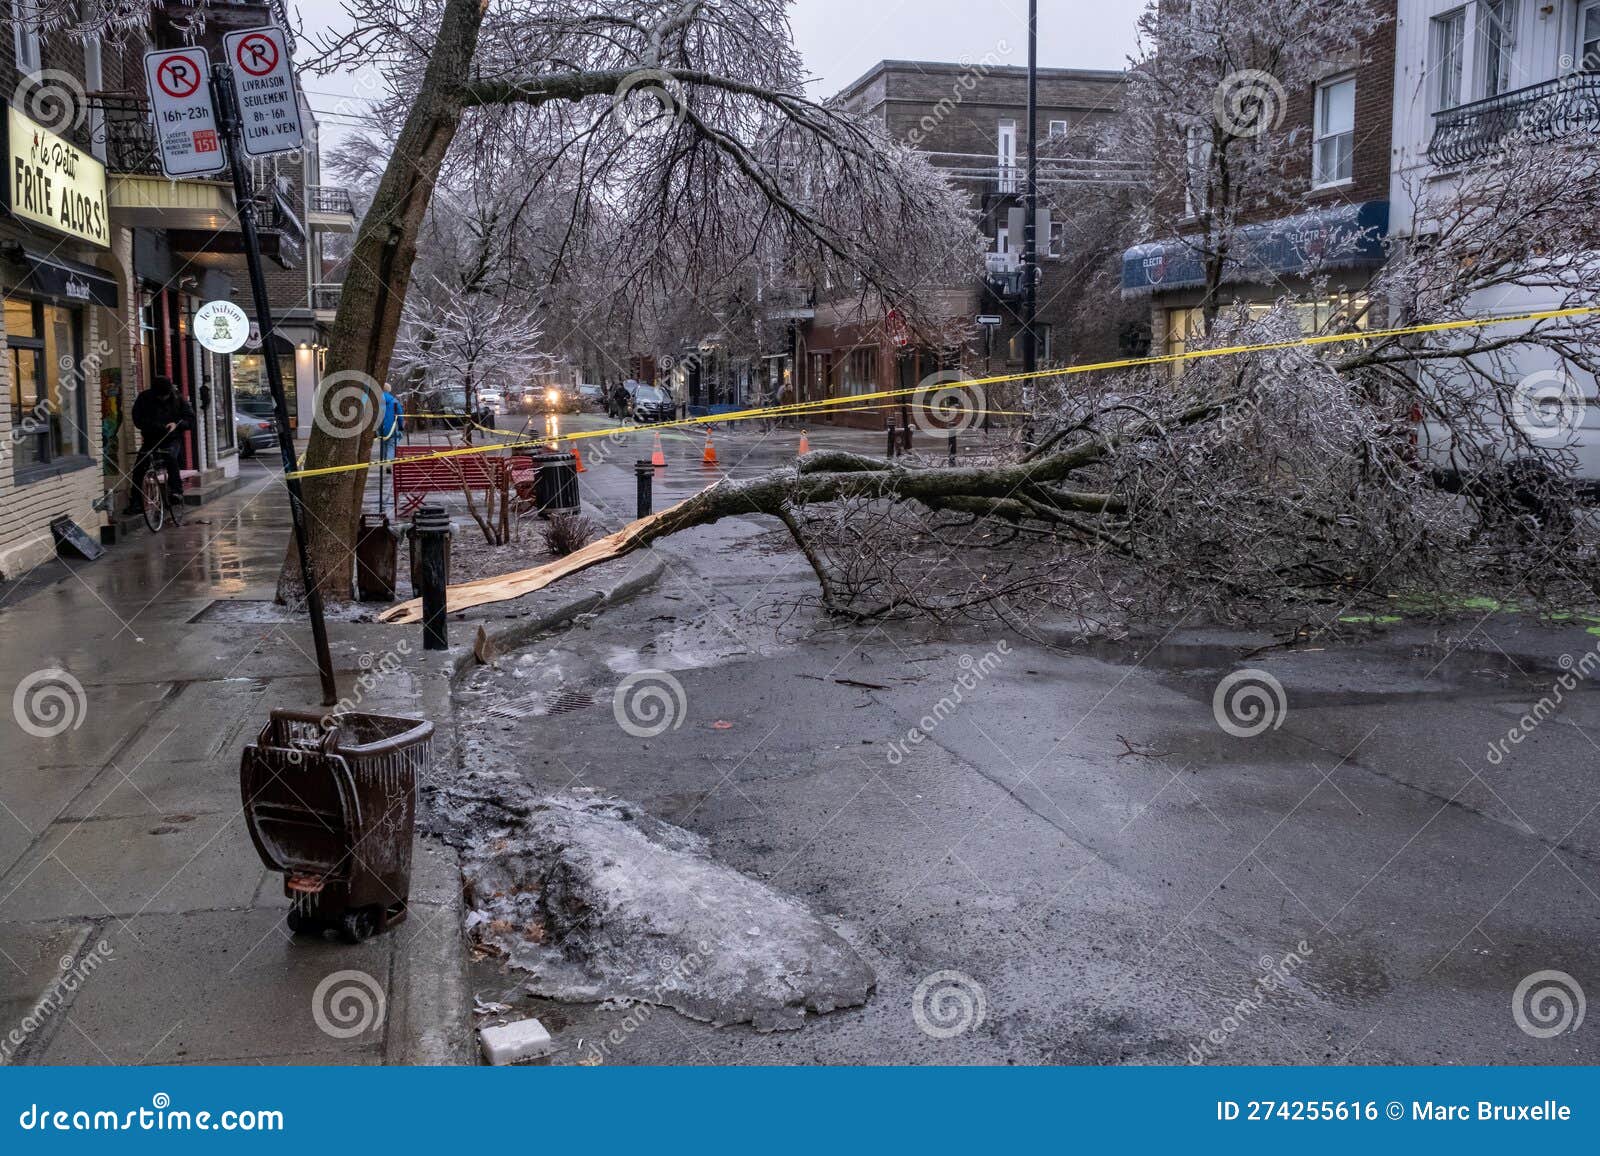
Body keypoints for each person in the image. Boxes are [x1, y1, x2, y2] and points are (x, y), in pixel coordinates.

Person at [125, 376, 194, 514]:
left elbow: (190, 419)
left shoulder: (177, 398)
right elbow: (137, 419)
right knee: (139, 468)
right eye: (159, 397)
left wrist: (177, 424)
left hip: (172, 439)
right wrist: (154, 426)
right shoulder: (144, 398)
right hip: (151, 438)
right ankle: (136, 503)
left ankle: (176, 492)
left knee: (171, 457)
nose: (163, 399)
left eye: (165, 396)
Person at [378, 383, 404, 463]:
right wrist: (400, 426)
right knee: (391, 446)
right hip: (392, 428)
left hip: (380, 428)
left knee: (383, 445)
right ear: (389, 390)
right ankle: (389, 464)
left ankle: (383, 463)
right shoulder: (394, 401)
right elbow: (400, 416)